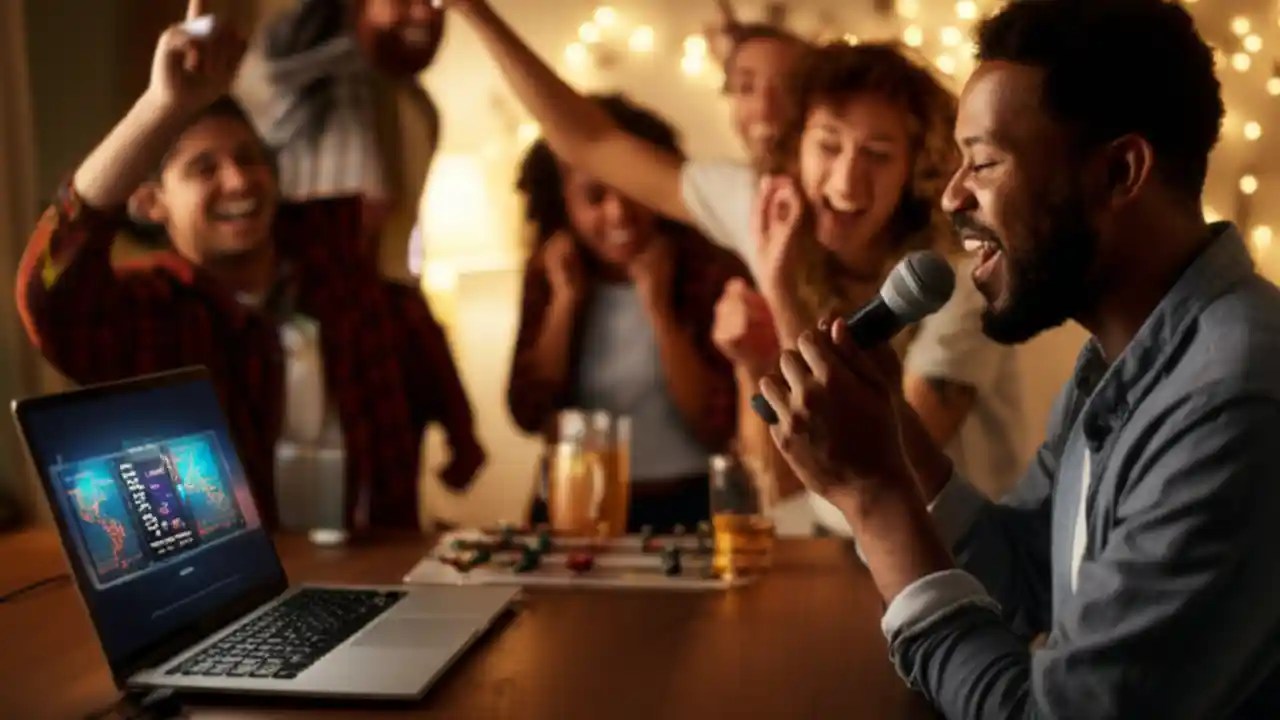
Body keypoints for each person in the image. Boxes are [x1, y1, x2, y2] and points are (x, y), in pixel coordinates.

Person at [762, 0, 1280, 714]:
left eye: (983, 162)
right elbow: (1023, 576)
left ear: (1120, 171)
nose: (953, 196)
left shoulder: (1230, 403)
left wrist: (875, 500)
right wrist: (894, 432)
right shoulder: (1119, 363)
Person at [15, 3, 483, 530]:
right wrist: (161, 106)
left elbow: (444, 410)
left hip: (378, 563)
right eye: (204, 168)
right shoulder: (152, 311)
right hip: (240, 576)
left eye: (249, 158)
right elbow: (49, 294)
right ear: (151, 203)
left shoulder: (350, 285)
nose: (238, 181)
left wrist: (460, 441)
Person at [717, 42, 1026, 533]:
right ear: (795, 149)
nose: (846, 182)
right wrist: (750, 366)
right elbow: (773, 490)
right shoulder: (788, 243)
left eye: (878, 155)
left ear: (915, 168)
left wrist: (779, 296)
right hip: (846, 556)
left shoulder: (964, 282)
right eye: (828, 145)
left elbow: (881, 473)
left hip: (966, 562)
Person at [508, 95, 751, 533]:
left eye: (635, 193)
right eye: (594, 197)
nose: (619, 213)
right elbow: (527, 411)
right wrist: (564, 302)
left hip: (688, 507)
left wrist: (659, 309)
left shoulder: (709, 269)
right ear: (562, 203)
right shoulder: (551, 272)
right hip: (576, 508)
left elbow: (716, 423)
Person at [438, 0, 806, 274]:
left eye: (789, 85)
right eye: (745, 87)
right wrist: (476, 11)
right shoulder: (738, 196)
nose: (764, 107)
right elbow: (590, 142)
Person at [235, 0, 445, 278]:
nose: (424, 13)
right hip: (308, 281)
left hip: (380, 284)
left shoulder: (419, 108)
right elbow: (268, 80)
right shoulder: (298, 76)